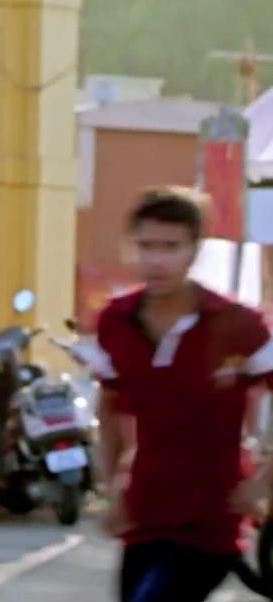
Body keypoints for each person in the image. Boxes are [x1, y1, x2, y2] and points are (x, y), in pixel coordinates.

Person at [84, 186, 273, 602]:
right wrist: (112, 491)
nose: (157, 260)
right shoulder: (115, 321)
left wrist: (264, 480)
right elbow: (110, 410)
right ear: (130, 246)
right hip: (145, 514)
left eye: (171, 247)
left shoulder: (237, 322)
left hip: (212, 518)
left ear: (194, 250)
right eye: (146, 246)